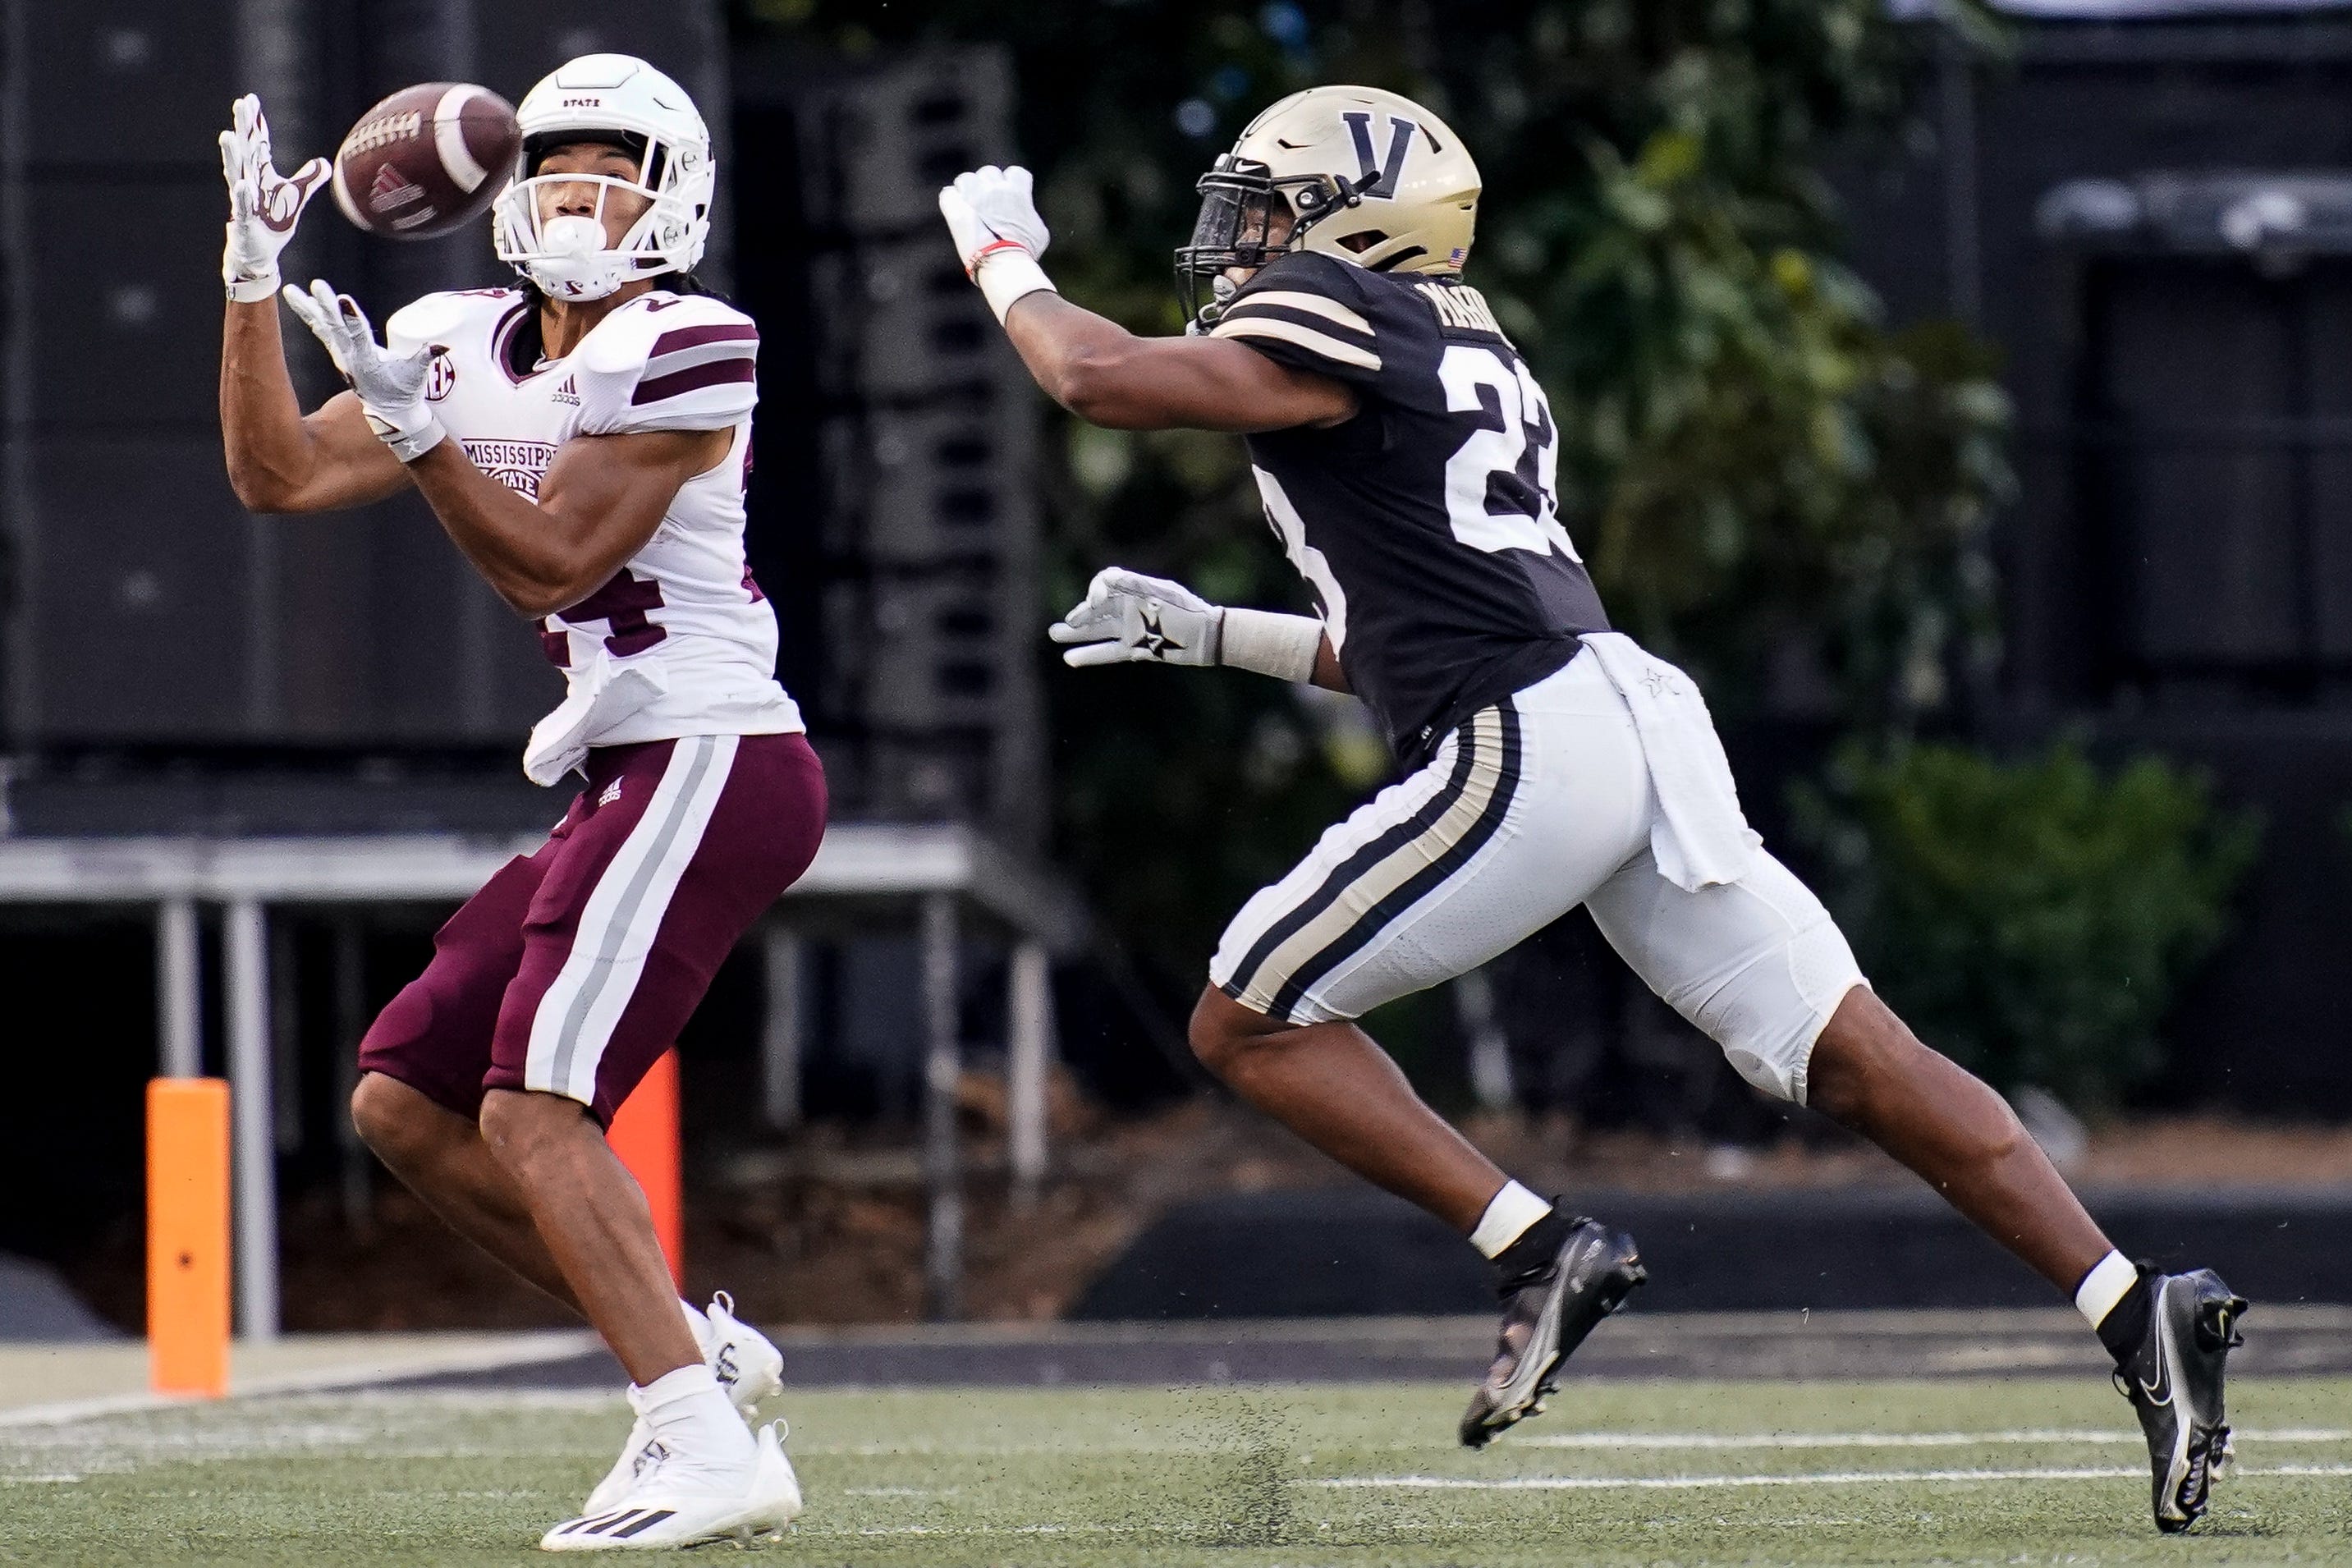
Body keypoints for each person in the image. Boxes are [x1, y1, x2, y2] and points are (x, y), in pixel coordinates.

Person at [938, 85, 2246, 1534]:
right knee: (1860, 1056)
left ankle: (1537, 1245)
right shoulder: (1459, 337)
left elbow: (1098, 377)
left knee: (1246, 1016)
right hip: (1622, 712)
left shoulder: (1348, 307)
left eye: (1269, 212)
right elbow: (1409, 635)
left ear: (1359, 225)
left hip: (1531, 733)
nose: (1240, 243)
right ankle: (2134, 1302)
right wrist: (1212, 633)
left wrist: (1002, 257)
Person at [217, 54, 813, 1551]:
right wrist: (248, 280)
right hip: (626, 767)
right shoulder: (450, 336)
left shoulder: (693, 339)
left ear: (674, 197)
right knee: (403, 1099)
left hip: (714, 749)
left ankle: (697, 1441)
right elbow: (277, 477)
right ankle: (694, 1350)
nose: (576, 196)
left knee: (536, 1104)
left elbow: (555, 566)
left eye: (611, 171)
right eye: (554, 168)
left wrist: (420, 437)